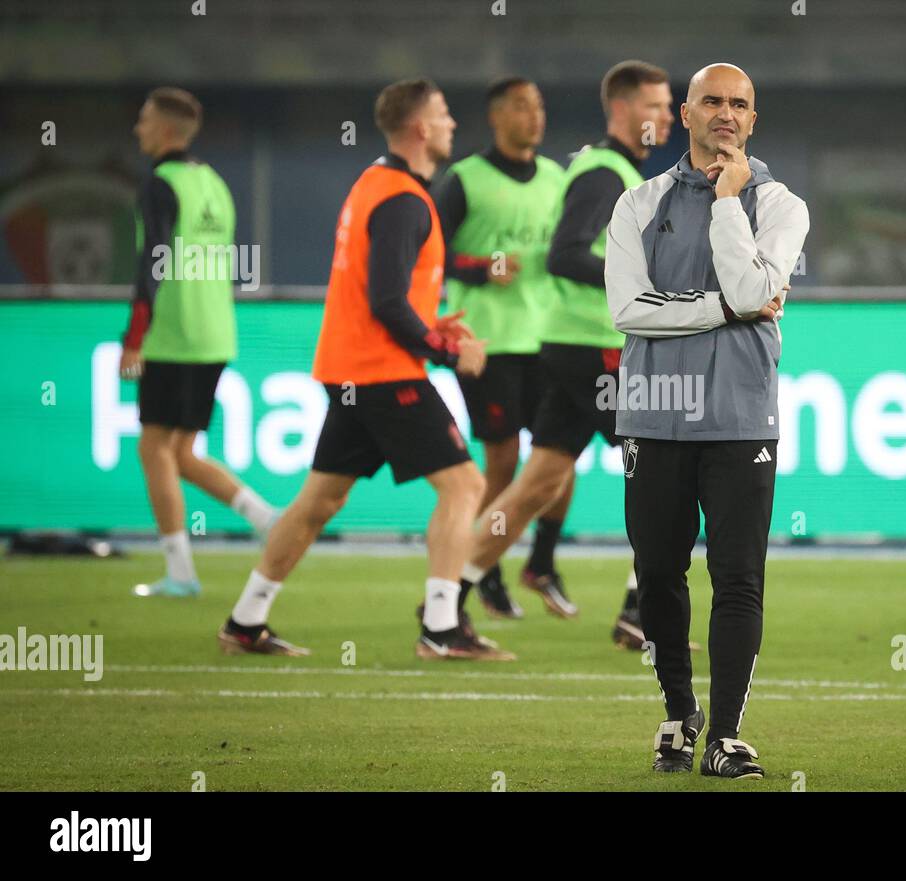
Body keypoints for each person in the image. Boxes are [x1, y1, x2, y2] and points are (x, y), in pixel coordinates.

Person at [216, 78, 512, 660]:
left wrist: (432, 326)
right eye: (446, 115)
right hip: (381, 372)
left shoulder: (374, 185)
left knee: (319, 502)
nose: (453, 124)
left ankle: (246, 621)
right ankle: (442, 628)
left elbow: (387, 296)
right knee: (466, 486)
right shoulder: (404, 198)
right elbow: (386, 302)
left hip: (353, 369)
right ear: (422, 128)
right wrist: (449, 352)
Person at [605, 62, 809, 778]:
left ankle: (724, 733)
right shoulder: (637, 203)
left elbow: (758, 284)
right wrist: (725, 308)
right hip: (654, 418)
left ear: (753, 120)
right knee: (658, 575)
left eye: (740, 104)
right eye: (713, 101)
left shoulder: (782, 206)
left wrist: (728, 203)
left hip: (740, 418)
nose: (726, 113)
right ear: (685, 114)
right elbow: (629, 310)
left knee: (738, 578)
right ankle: (676, 712)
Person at [453, 60, 676, 643]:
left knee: (536, 484)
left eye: (668, 104)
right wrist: (636, 280)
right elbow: (564, 255)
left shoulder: (615, 169)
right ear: (622, 110)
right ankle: (639, 611)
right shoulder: (605, 172)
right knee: (669, 471)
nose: (666, 116)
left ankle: (449, 598)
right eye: (654, 105)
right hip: (595, 347)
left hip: (571, 344)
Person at [121, 86, 279, 599]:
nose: (139, 128)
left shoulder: (159, 185)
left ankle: (180, 573)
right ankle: (266, 519)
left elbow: (155, 259)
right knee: (181, 452)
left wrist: (134, 335)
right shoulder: (213, 183)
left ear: (166, 130)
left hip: (174, 333)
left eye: (145, 120)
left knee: (153, 448)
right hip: (215, 330)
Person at [434, 77, 571, 620]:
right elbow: (429, 254)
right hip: (487, 343)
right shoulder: (464, 180)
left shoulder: (559, 180)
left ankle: (540, 561)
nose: (533, 116)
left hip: (549, 337)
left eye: (538, 105)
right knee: (503, 459)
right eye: (520, 106)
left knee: (560, 457)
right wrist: (478, 266)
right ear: (496, 117)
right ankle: (482, 566)